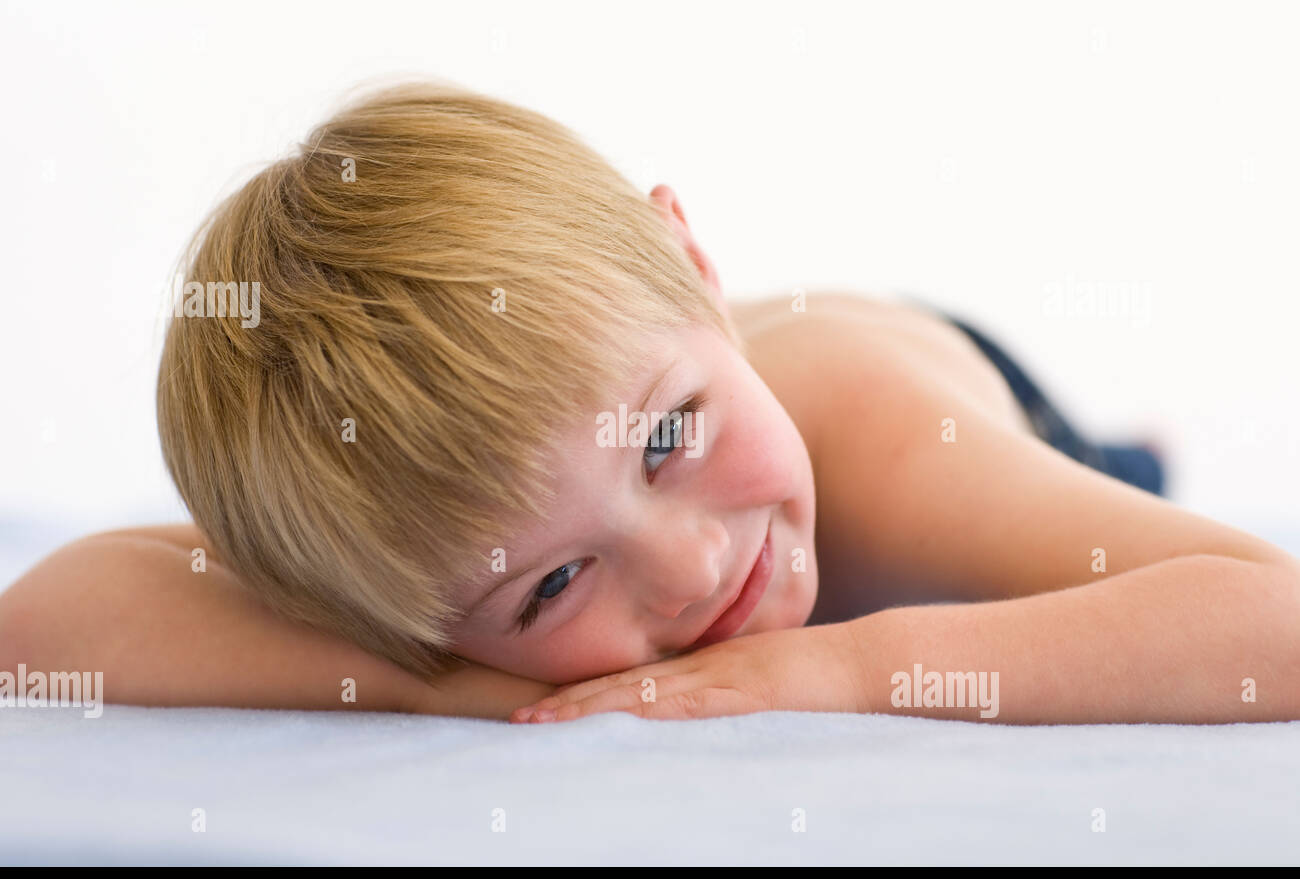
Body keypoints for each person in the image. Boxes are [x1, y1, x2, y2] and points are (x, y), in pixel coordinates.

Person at [3, 82, 1297, 724]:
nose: (686, 575)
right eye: (548, 589)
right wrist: (434, 684)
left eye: (670, 437)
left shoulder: (878, 443)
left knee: (1097, 504)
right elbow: (33, 634)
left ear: (691, 255)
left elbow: (1271, 619)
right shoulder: (415, 544)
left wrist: (845, 665)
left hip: (943, 382)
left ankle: (1140, 446)